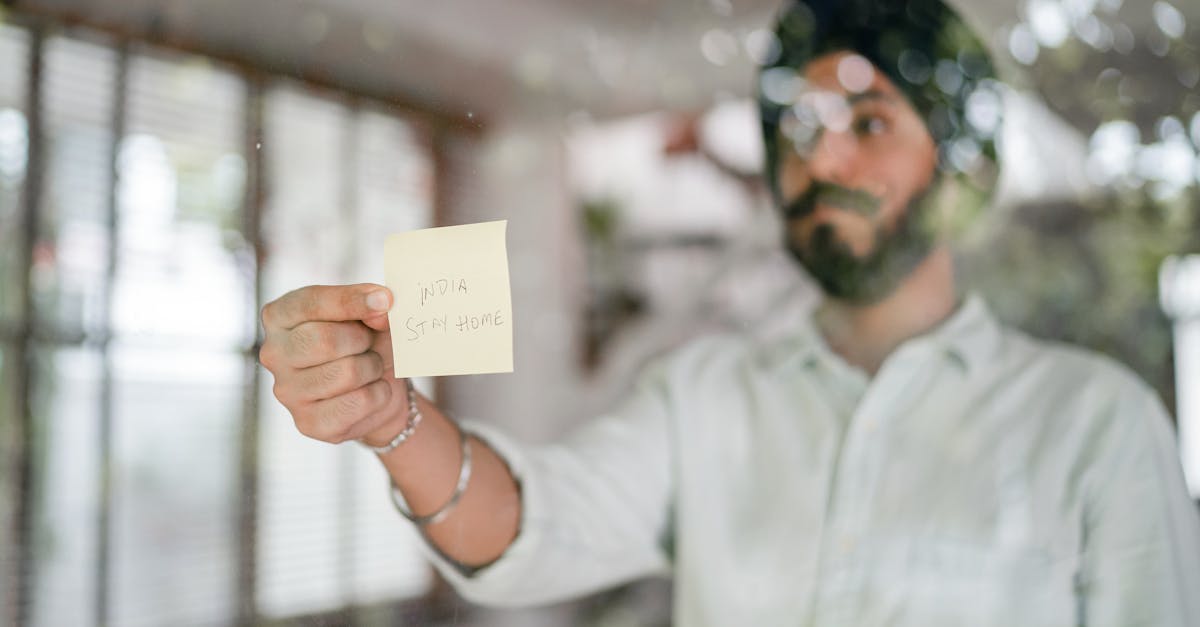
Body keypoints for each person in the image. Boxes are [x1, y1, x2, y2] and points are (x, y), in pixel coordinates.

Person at [257, 0, 1200, 624]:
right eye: (798, 130)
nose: (823, 163)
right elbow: (536, 528)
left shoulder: (1098, 424)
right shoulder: (701, 393)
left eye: (870, 125)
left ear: (965, 173)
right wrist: (392, 418)